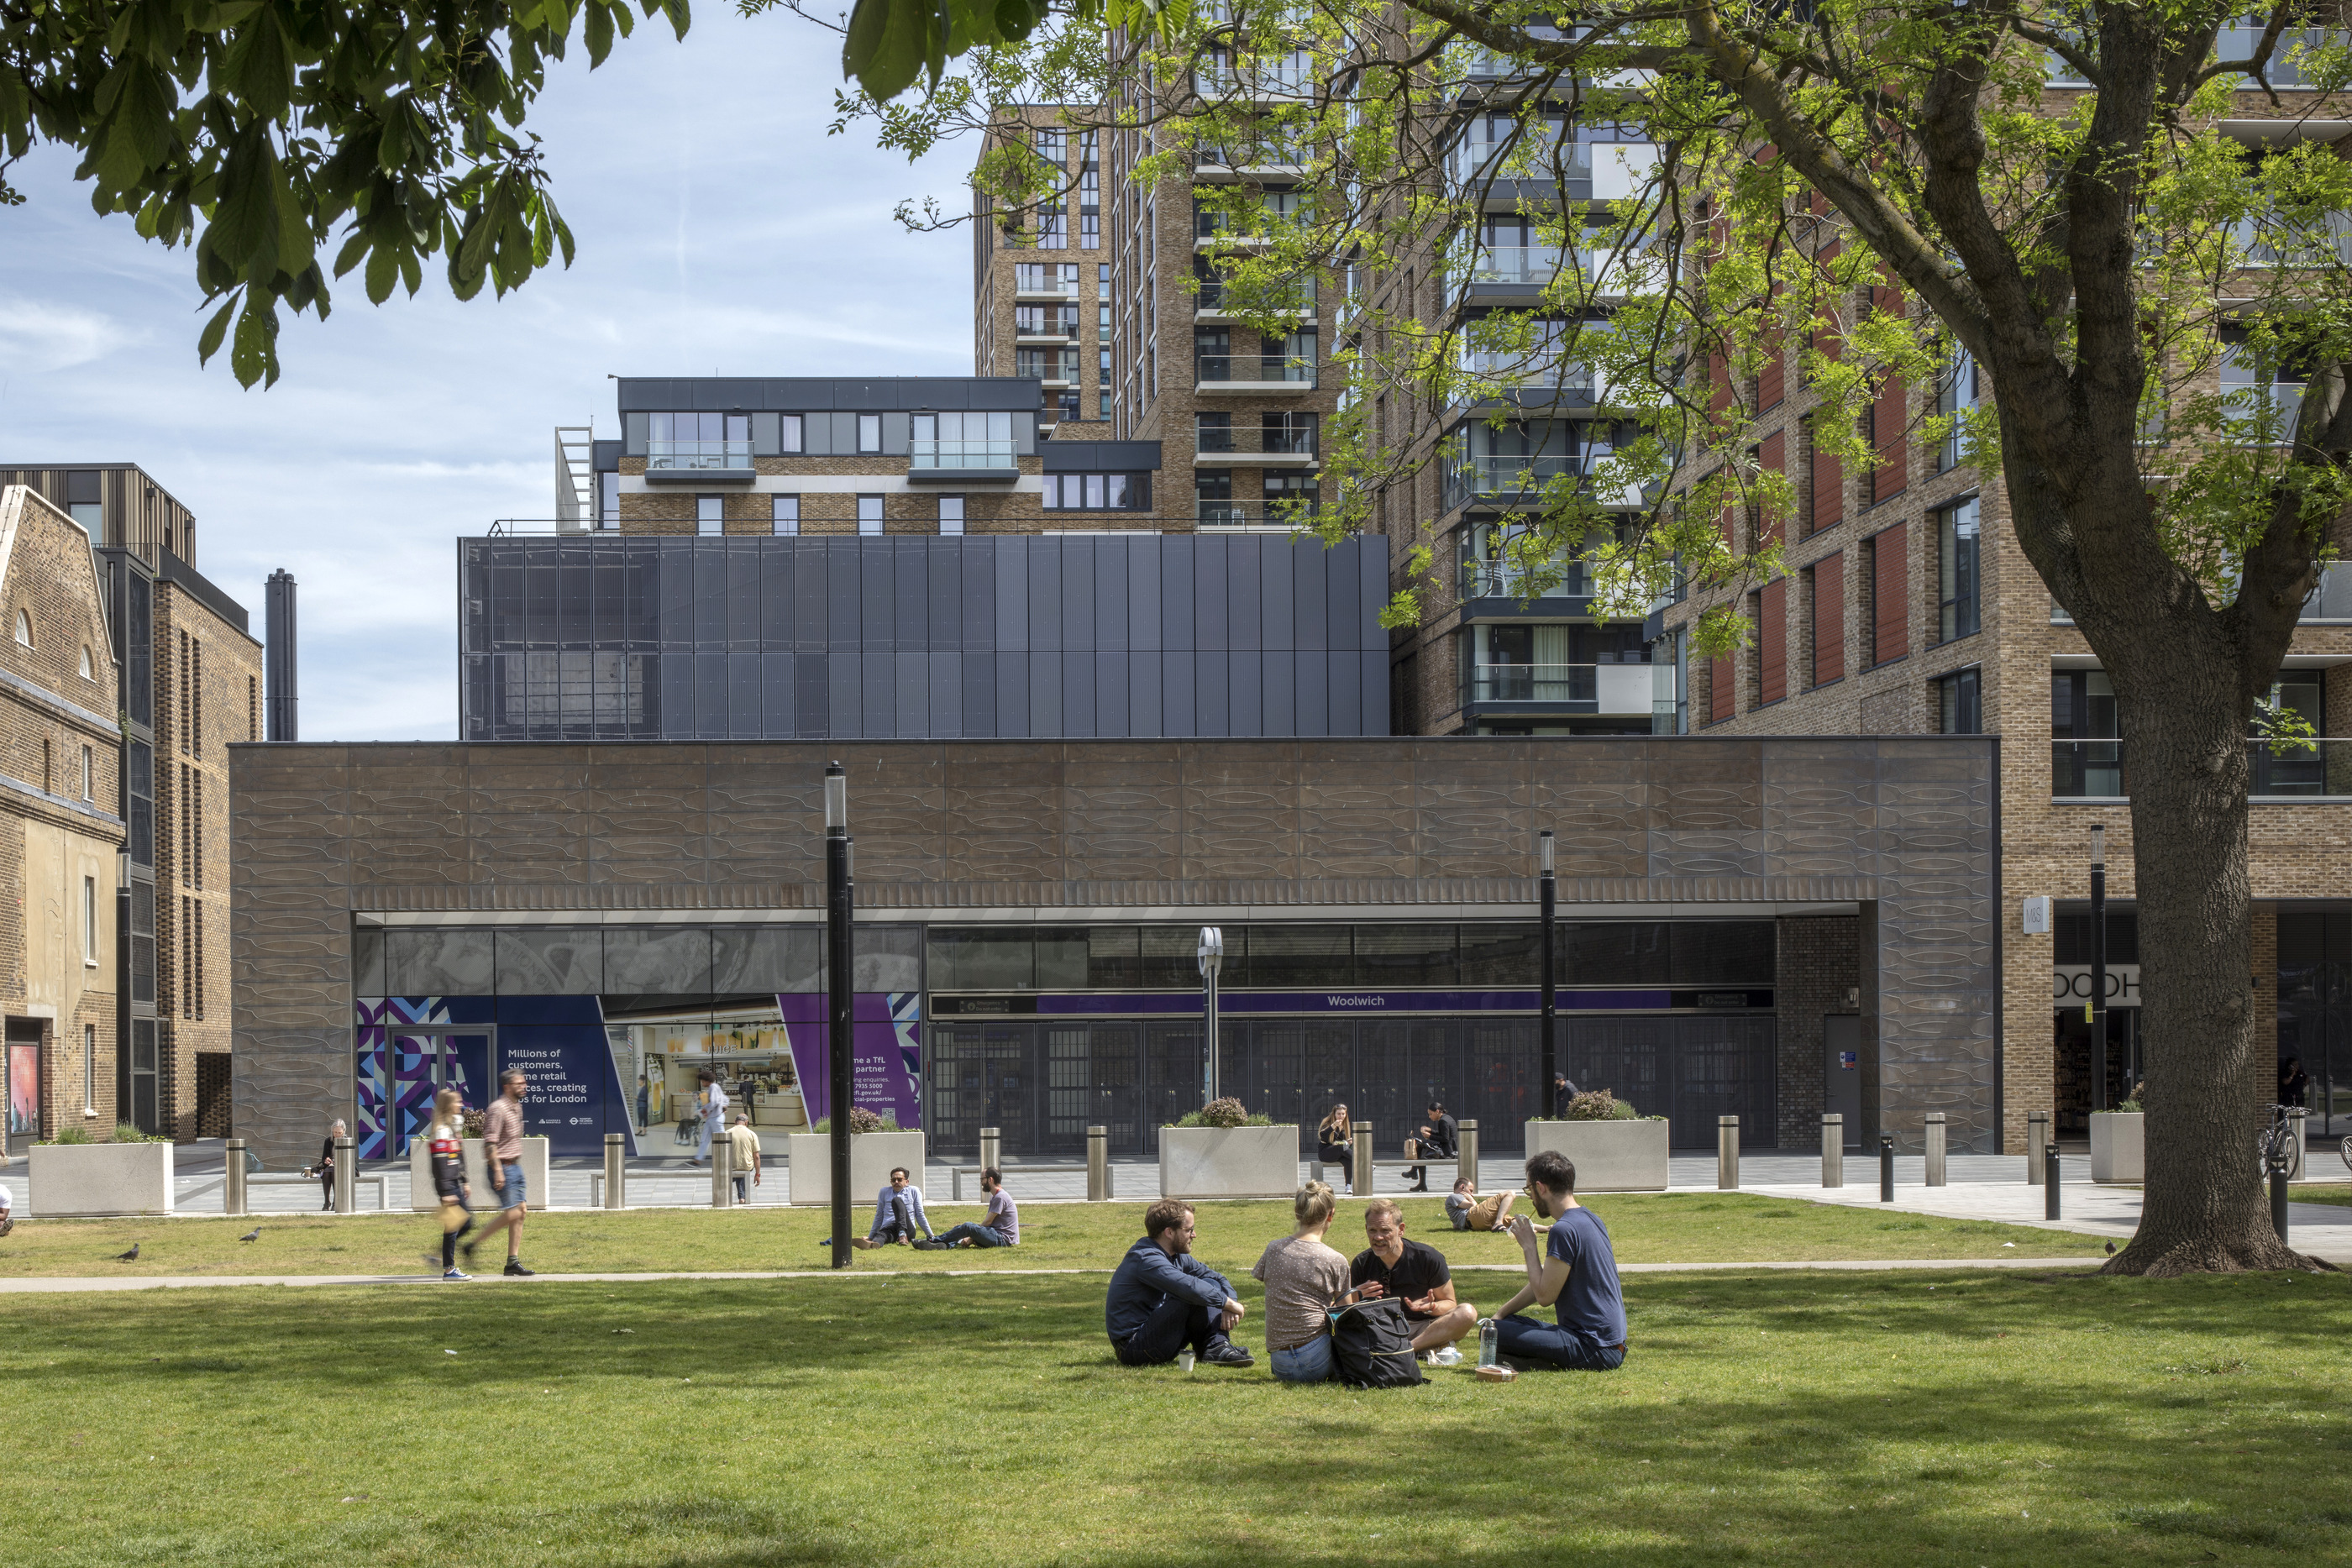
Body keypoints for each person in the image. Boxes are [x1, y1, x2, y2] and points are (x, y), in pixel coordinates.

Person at [1492, 1148, 1628, 1371]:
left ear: (1541, 1188)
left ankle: (1528, 1362)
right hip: (1612, 1344)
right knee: (1498, 1325)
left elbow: (1545, 1296)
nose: (1531, 1198)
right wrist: (1500, 1314)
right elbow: (1547, 1280)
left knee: (1491, 1333)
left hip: (1594, 1347)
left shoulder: (1563, 1230)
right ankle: (1527, 1359)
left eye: (1530, 1190)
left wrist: (1529, 1246)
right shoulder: (1591, 1219)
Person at [1105, 1199, 1252, 1368]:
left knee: (1208, 1283)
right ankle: (1215, 1348)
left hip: (1155, 1338)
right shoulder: (1146, 1258)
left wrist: (1229, 1303)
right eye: (1189, 1230)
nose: (1194, 1235)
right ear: (1169, 1232)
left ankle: (1216, 1347)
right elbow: (1188, 1287)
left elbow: (1217, 1278)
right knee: (1192, 1291)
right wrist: (1228, 1304)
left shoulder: (1177, 1256)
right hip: (1134, 1347)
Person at [1251, 1181, 1352, 1382]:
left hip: (1280, 1364)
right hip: (1319, 1359)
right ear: (1330, 1214)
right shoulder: (1334, 1259)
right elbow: (1346, 1315)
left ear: (1297, 1213)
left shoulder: (1274, 1249)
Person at [1350, 1198, 1476, 1356]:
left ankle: (1405, 1350)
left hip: (1423, 1328)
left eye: (1385, 1231)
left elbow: (1450, 1304)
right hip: (1380, 1330)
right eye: (1372, 1231)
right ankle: (1423, 1348)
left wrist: (1432, 1307)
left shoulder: (1428, 1257)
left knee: (1467, 1313)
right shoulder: (1361, 1263)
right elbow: (1349, 1314)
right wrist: (1356, 1296)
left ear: (1400, 1229)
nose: (1378, 1238)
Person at [464, 1068, 533, 1277]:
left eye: (524, 1083)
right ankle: (472, 1245)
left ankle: (512, 1262)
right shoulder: (498, 1109)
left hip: (515, 1166)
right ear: (507, 1087)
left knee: (521, 1212)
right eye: (519, 1084)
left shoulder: (516, 1107)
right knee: (513, 1212)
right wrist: (498, 1171)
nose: (524, 1086)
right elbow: (490, 1144)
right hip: (501, 1167)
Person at [425, 1088, 475, 1280]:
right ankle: (449, 1269)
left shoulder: (451, 1128)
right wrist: (446, 1191)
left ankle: (439, 1257)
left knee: (467, 1223)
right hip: (447, 1186)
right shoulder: (440, 1132)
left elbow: (458, 1157)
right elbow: (439, 1164)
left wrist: (465, 1181)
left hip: (455, 1183)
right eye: (457, 1102)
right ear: (448, 1106)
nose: (461, 1105)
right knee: (452, 1227)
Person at [923, 1167, 1019, 1249]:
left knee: (968, 1227)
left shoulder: (1000, 1197)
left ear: (990, 1179)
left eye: (982, 1179)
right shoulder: (996, 1196)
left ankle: (933, 1241)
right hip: (996, 1234)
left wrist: (971, 1237)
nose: (981, 1182)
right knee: (960, 1228)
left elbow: (988, 1222)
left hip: (1001, 1239)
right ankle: (944, 1245)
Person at [853, 1167, 935, 1248]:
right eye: (893, 1180)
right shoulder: (884, 1191)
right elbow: (879, 1215)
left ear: (907, 1182)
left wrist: (930, 1234)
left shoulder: (914, 1191)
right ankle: (873, 1244)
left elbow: (920, 1214)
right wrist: (870, 1236)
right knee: (881, 1235)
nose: (896, 1182)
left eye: (899, 1179)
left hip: (908, 1230)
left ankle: (902, 1234)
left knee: (897, 1200)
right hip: (890, 1227)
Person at [1404, 1099, 1457, 1193]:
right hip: (1450, 1149)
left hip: (1447, 1152)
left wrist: (1430, 1136)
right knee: (1420, 1147)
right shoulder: (1447, 1118)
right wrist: (1431, 1130)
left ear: (1437, 1111)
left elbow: (1445, 1139)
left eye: (1431, 1114)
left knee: (1421, 1154)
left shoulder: (1443, 1121)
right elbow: (1444, 1134)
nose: (1429, 1116)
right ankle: (1416, 1175)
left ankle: (1417, 1177)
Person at [1445, 1175, 1516, 1233]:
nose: (1471, 1194)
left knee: (1513, 1221)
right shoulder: (1454, 1196)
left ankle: (1509, 1222)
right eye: (1470, 1191)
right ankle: (1498, 1223)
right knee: (1510, 1193)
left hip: (1475, 1225)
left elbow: (1455, 1225)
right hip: (1474, 1217)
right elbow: (1473, 1205)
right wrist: (1471, 1199)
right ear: (1462, 1187)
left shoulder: (1454, 1205)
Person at [692, 1068, 728, 1167]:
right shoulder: (715, 1087)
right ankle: (698, 1160)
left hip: (715, 1118)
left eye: (702, 1081)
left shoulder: (713, 1087)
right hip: (714, 1117)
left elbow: (714, 1102)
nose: (702, 1083)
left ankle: (727, 1160)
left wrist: (705, 1109)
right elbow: (724, 1098)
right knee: (705, 1138)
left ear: (707, 1080)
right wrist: (724, 1106)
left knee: (721, 1140)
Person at [1315, 1104, 1355, 1194]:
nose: (1341, 1116)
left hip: (1338, 1152)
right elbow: (1323, 1136)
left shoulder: (1345, 1125)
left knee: (1348, 1161)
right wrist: (1333, 1126)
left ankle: (1348, 1186)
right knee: (1341, 1147)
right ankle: (1365, 1163)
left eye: (1343, 1114)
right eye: (1339, 1114)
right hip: (1325, 1153)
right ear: (1334, 1114)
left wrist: (1348, 1143)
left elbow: (1341, 1143)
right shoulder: (1327, 1123)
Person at [725, 1112, 763, 1204]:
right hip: (746, 1166)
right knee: (742, 1168)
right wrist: (757, 1174)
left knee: (736, 1169)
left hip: (730, 1166)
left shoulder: (727, 1133)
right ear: (746, 1122)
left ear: (735, 1122)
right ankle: (742, 1198)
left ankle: (732, 1196)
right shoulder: (752, 1134)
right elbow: (756, 1156)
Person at [316, 1119, 345, 1210]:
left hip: (343, 1166)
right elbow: (324, 1157)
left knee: (334, 1173)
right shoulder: (328, 1141)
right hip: (330, 1166)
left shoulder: (347, 1140)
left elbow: (351, 1158)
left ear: (344, 1131)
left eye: (339, 1133)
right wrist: (327, 1160)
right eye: (335, 1132)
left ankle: (336, 1201)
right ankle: (326, 1201)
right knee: (326, 1173)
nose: (337, 1135)